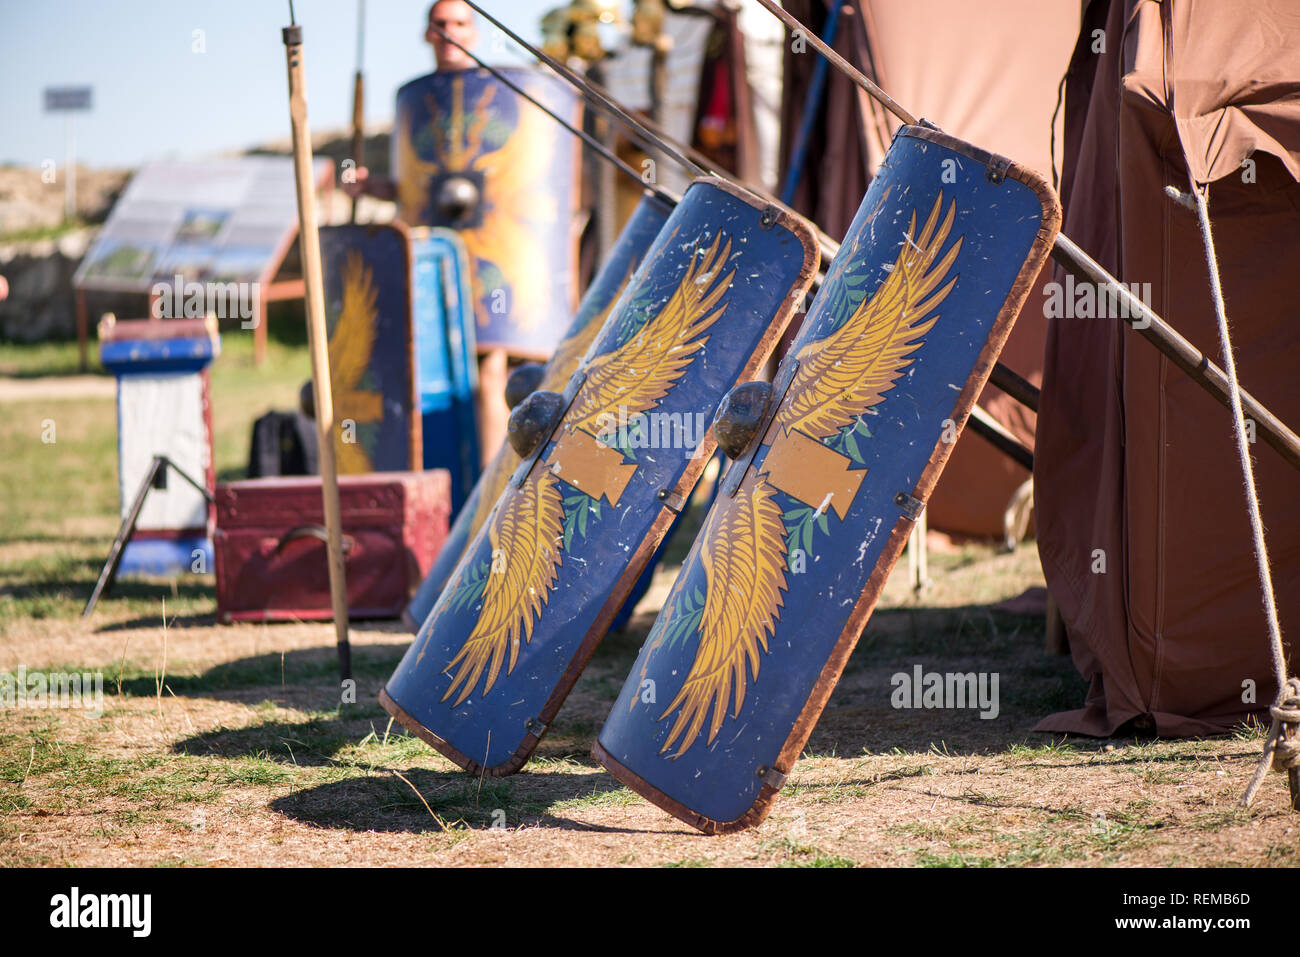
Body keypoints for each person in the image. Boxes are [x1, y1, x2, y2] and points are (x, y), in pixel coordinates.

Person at [343, 0, 517, 467]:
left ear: (475, 33)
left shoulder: (499, 92)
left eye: (459, 23)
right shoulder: (420, 102)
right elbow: (416, 189)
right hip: (434, 259)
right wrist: (367, 185)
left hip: (489, 251)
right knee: (430, 370)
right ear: (427, 35)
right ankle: (445, 479)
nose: (450, 33)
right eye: (440, 25)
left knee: (489, 369)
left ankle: (491, 484)